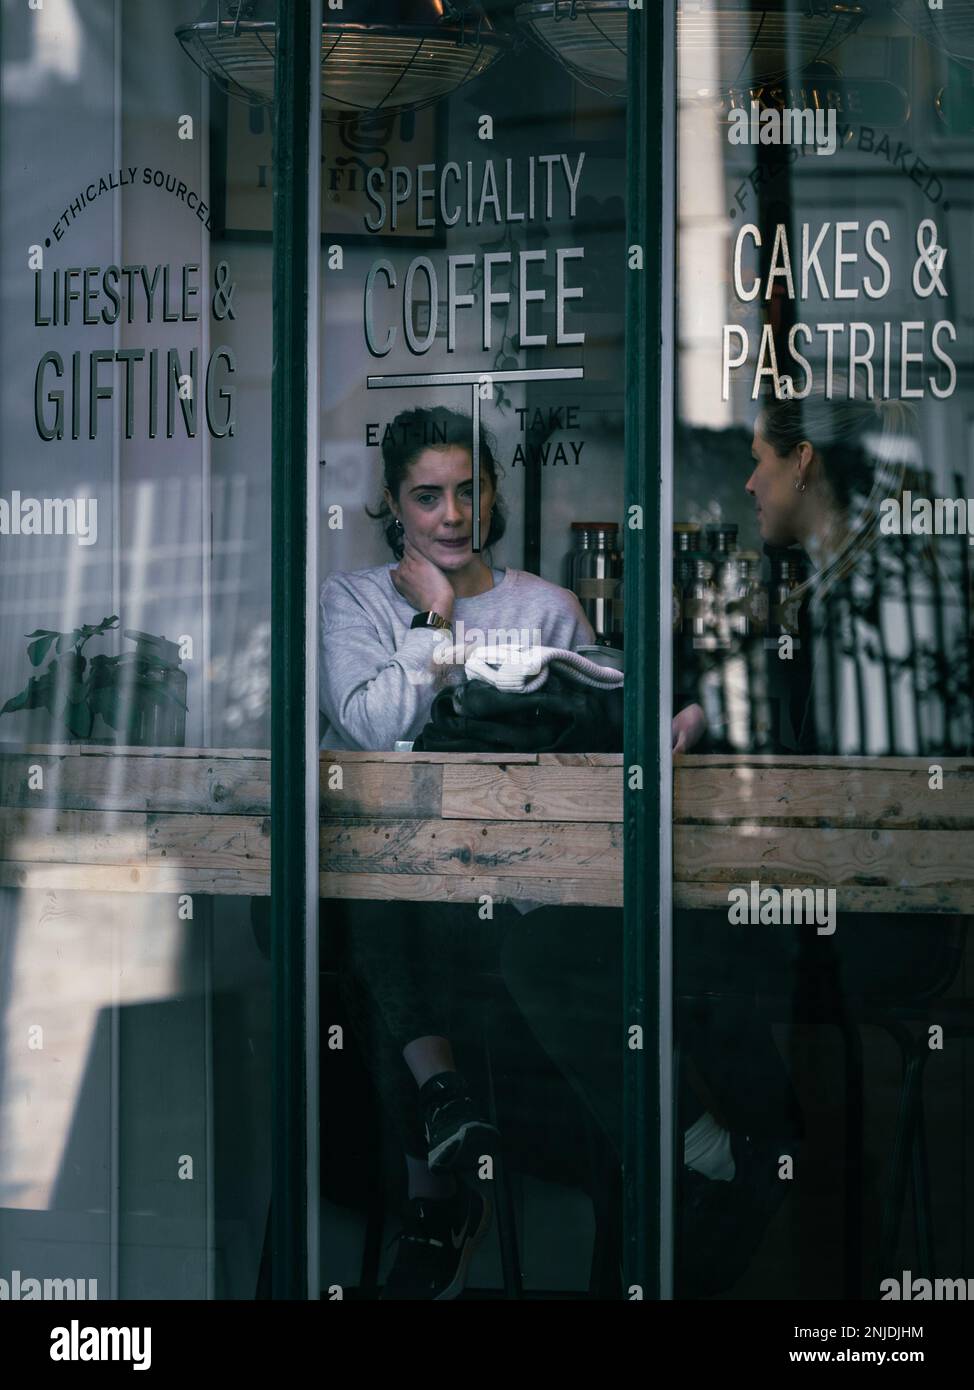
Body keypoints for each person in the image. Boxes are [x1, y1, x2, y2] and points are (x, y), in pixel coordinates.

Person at [320, 405, 597, 1299]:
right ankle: (443, 1128)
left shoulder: (547, 609)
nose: (451, 514)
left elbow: (592, 747)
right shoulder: (354, 602)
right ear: (395, 507)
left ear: (493, 492)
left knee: (373, 922)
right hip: (403, 895)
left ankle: (436, 1189)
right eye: (427, 496)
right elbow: (366, 728)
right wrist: (434, 628)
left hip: (515, 907)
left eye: (468, 490)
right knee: (380, 888)